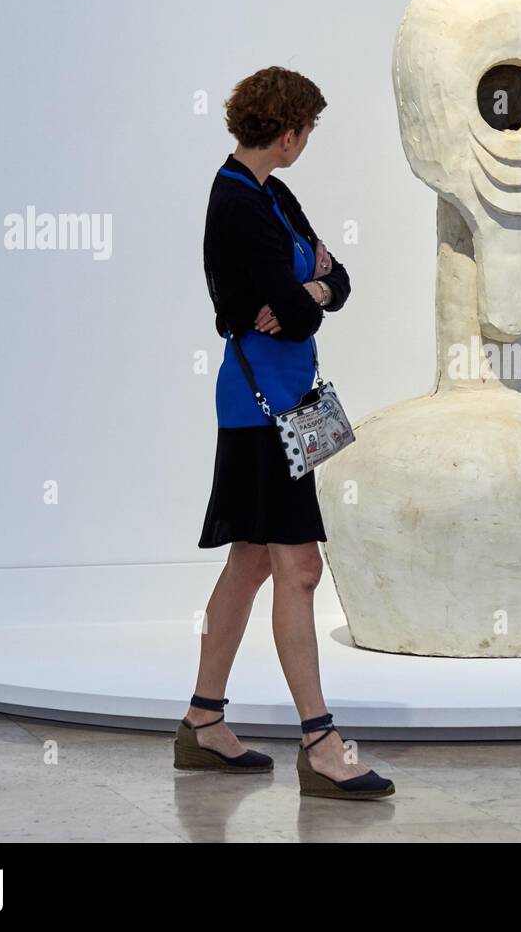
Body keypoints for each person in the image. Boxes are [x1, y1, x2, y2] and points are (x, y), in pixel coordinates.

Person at [173, 66, 394, 799]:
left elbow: (338, 282)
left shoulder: (274, 194)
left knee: (254, 563)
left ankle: (204, 722)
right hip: (261, 405)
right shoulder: (235, 202)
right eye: (309, 129)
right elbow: (295, 309)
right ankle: (321, 742)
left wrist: (312, 288)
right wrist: (307, 292)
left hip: (289, 401)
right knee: (297, 566)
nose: (308, 142)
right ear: (291, 131)